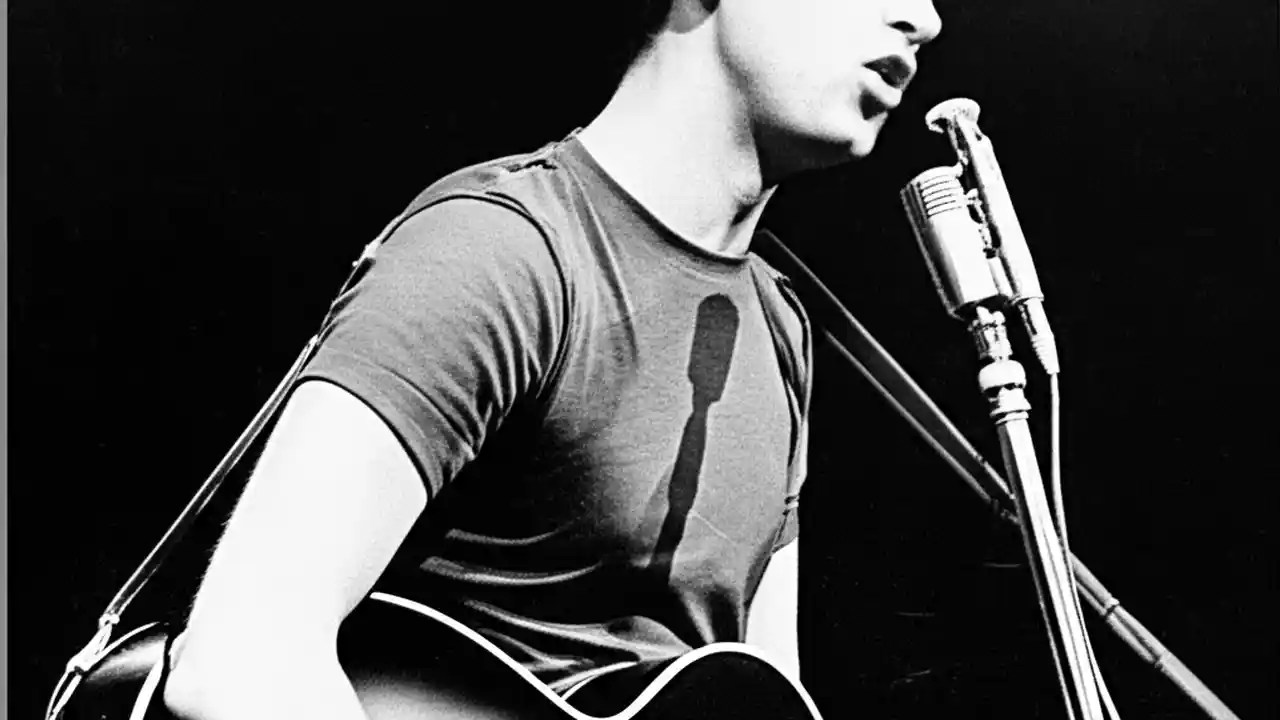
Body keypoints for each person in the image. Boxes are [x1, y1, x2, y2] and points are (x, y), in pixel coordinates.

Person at [161, 0, 942, 717]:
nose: (925, 18)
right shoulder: (504, 252)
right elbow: (241, 659)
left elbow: (767, 690)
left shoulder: (781, 328)